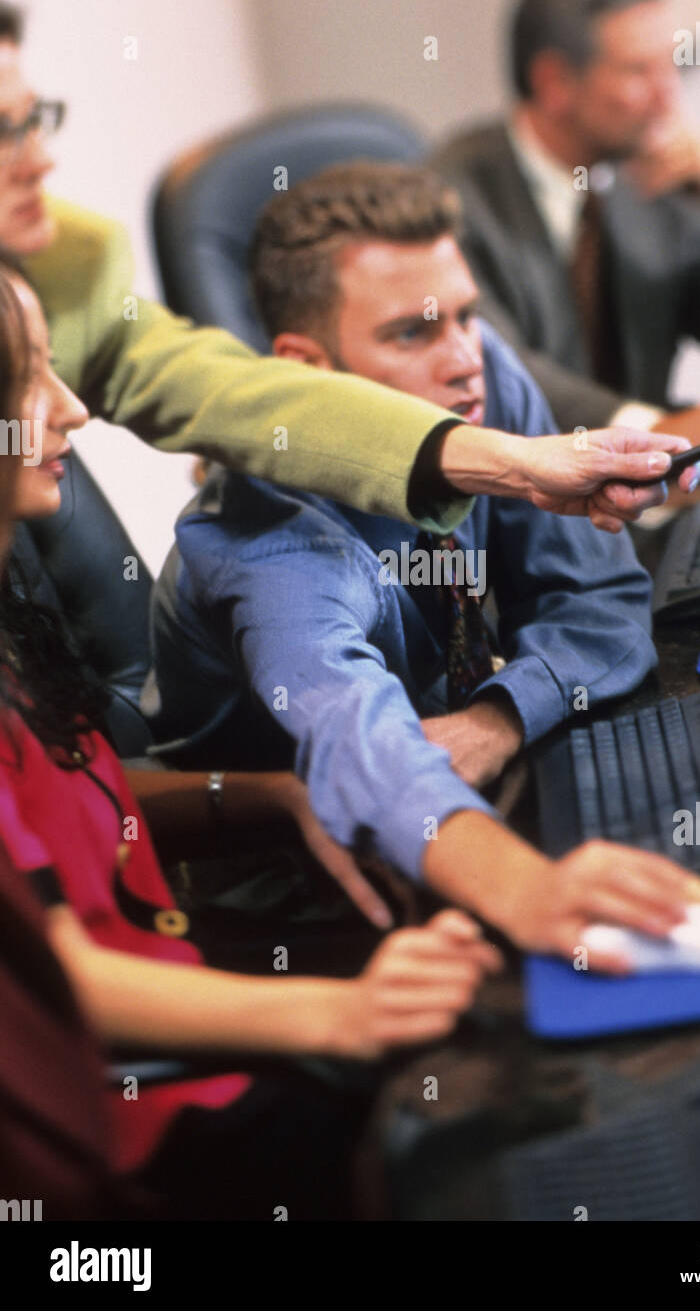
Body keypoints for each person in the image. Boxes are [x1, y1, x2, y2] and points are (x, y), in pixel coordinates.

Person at [0, 258, 504, 1219]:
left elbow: (70, 792)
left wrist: (268, 796)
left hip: (185, 982)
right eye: (27, 379)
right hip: (125, 1111)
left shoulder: (11, 622)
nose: (70, 407)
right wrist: (341, 1014)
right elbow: (46, 979)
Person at [146, 161, 700, 965]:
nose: (462, 358)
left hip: (466, 803)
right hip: (311, 906)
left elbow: (595, 589)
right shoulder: (269, 542)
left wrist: (497, 718)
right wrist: (525, 887)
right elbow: (359, 742)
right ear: (305, 372)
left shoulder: (472, 389)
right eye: (411, 331)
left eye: (466, 315)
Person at [0, 0, 687, 542]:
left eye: (36, 122)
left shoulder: (63, 269)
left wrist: (514, 464)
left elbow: (242, 396)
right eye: (3, 131)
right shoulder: (267, 558)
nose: (40, 160)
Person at [433, 0, 700, 442]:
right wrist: (650, 429)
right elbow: (493, 369)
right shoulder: (451, 199)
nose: (670, 95)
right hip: (528, 500)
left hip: (654, 491)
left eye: (672, 65)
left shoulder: (649, 177)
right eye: (640, 70)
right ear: (554, 81)